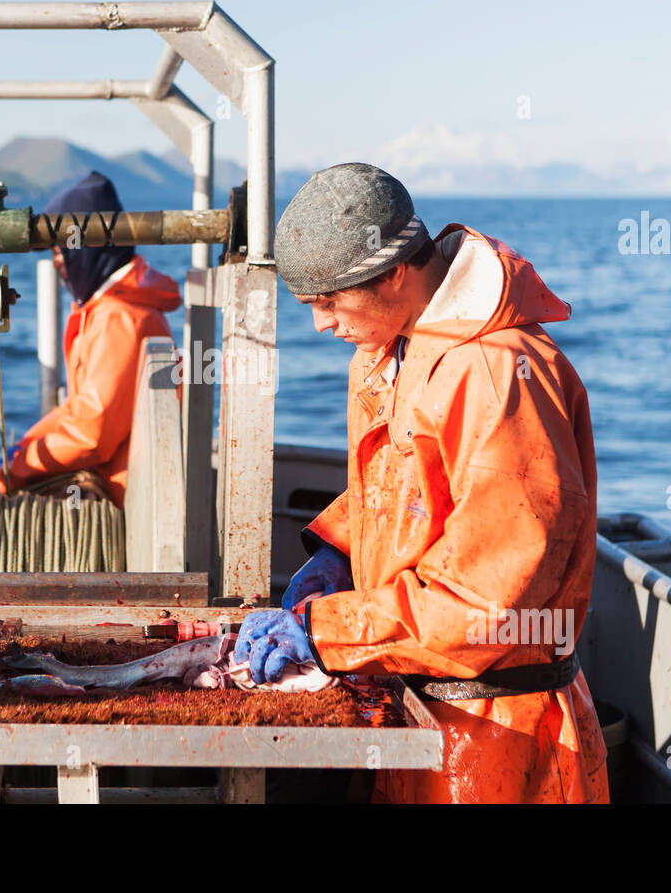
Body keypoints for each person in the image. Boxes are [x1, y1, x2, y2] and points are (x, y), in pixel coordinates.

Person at [234, 163, 609, 803]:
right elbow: (406, 484)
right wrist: (341, 549)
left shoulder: (495, 375)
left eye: (328, 301)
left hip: (499, 733)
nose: (321, 324)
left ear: (395, 272)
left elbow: (487, 598)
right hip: (419, 701)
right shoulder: (388, 345)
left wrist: (330, 629)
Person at [0, 172, 181, 508]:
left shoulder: (117, 316)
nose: (56, 260)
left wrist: (16, 470)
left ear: (88, 246)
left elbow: (93, 435)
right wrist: (26, 450)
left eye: (60, 248)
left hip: (124, 500)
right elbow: (81, 410)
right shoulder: (112, 308)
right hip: (130, 487)